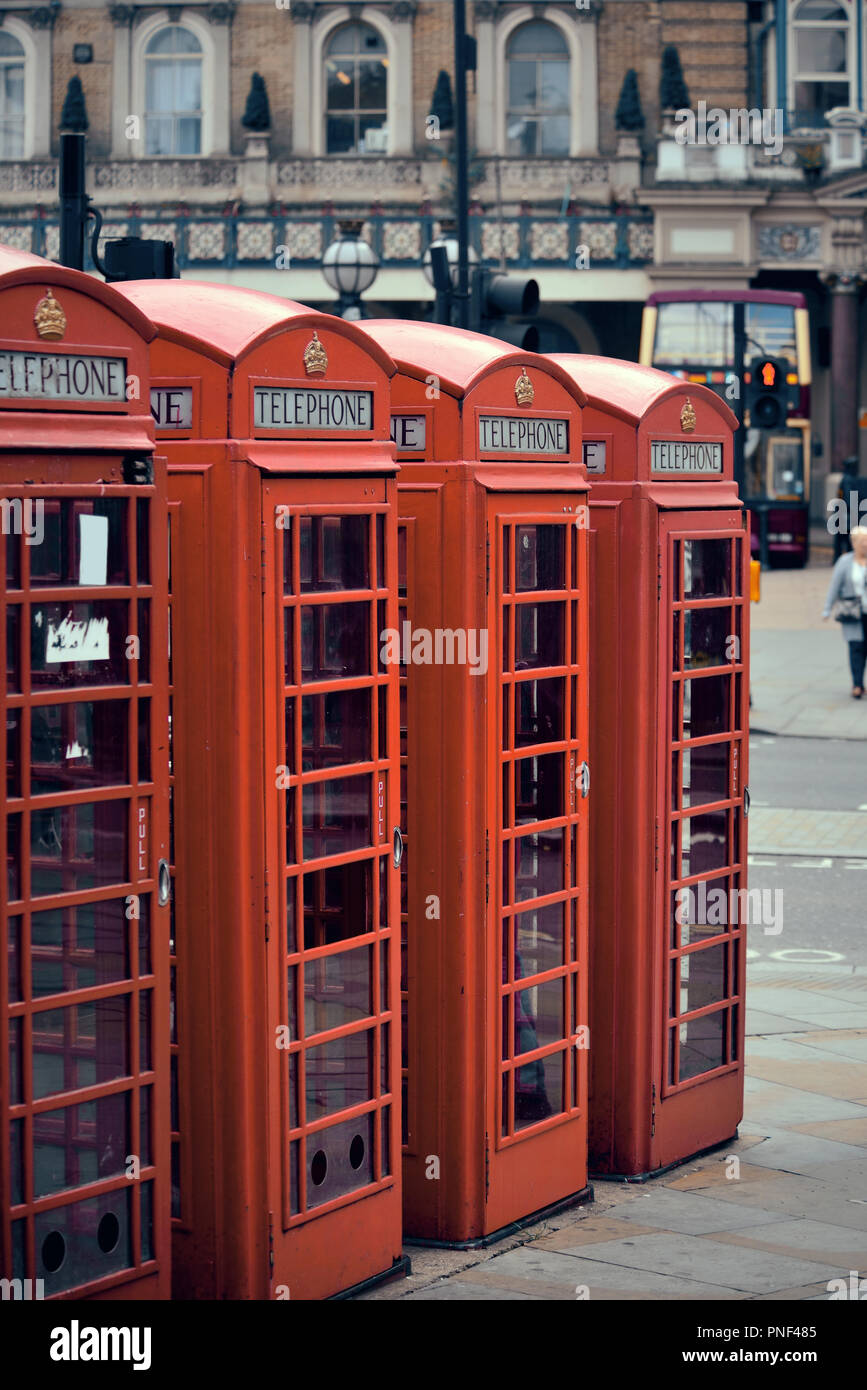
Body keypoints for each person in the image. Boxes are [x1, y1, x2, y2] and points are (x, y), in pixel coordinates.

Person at [823, 525, 867, 697]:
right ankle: (857, 684)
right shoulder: (845, 562)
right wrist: (827, 609)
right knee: (856, 647)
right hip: (853, 612)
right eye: (862, 542)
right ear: (854, 543)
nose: (865, 545)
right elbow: (834, 587)